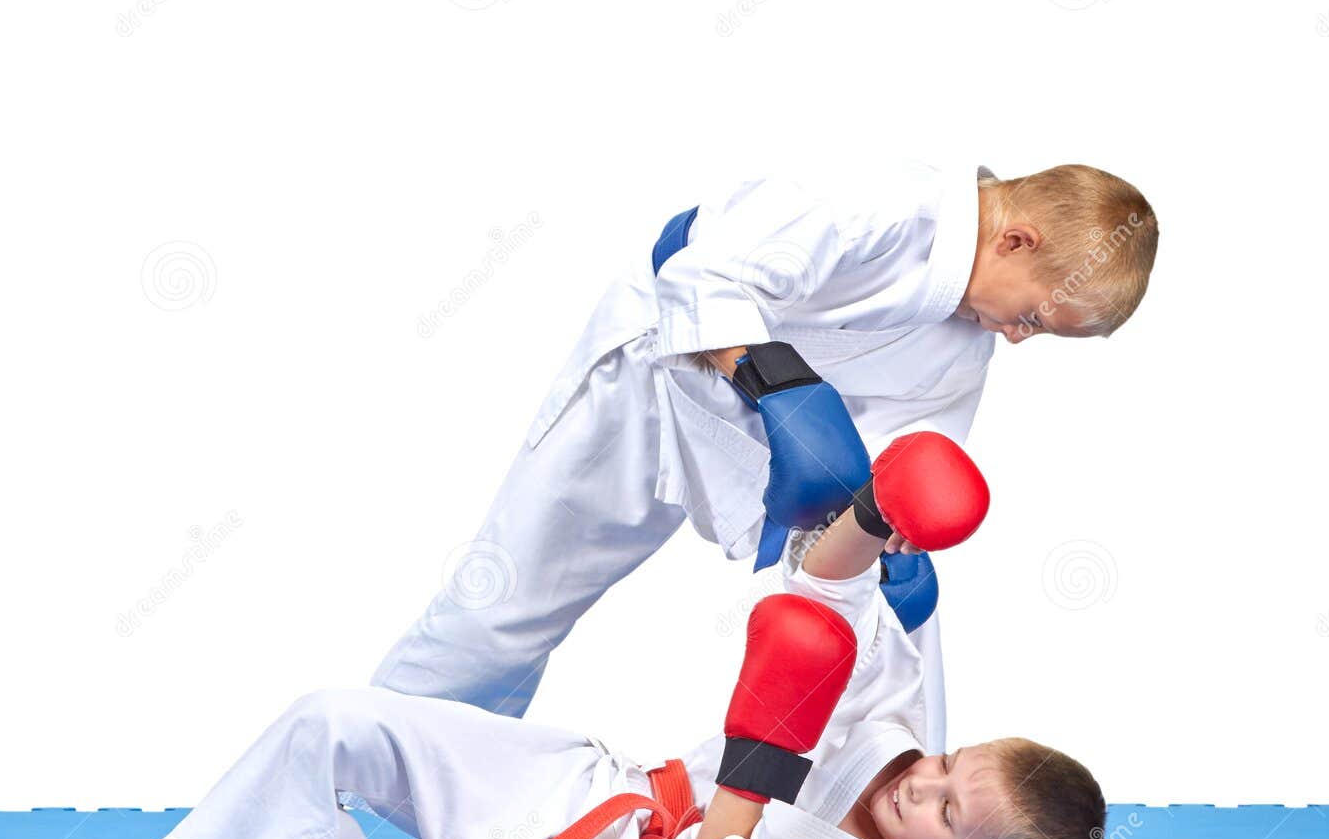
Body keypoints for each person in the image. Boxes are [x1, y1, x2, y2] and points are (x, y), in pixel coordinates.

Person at [0, 436, 1106, 839]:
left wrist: (764, 747)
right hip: (594, 792)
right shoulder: (896, 744)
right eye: (950, 760)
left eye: (947, 805)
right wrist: (872, 508)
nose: (923, 772)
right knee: (337, 715)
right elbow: (827, 586)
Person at [373, 160, 1158, 719]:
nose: (1019, 340)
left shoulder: (965, 346)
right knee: (510, 602)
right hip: (653, 384)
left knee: (887, 608)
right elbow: (695, 266)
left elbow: (905, 468)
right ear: (1016, 242)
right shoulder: (881, 206)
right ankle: (360, 758)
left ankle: (914, 838)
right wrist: (781, 387)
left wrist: (888, 539)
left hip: (766, 442)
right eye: (1032, 317)